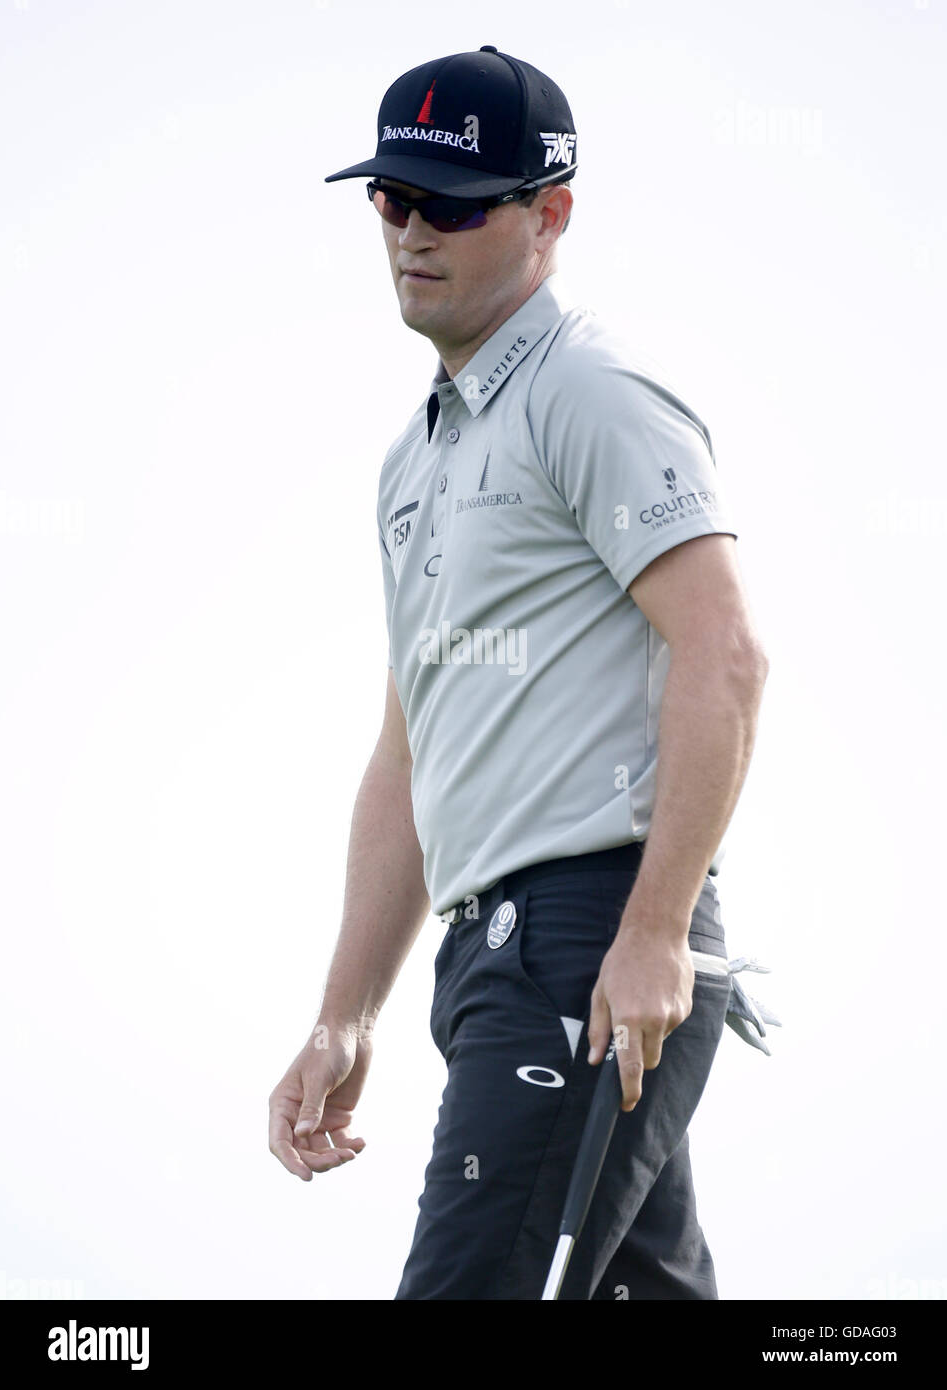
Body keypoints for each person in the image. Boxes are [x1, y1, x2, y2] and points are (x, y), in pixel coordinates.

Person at [268, 45, 770, 1300]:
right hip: (495, 961)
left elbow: (724, 651)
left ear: (549, 213)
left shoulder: (590, 392)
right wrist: (345, 1016)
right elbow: (408, 754)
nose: (410, 232)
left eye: (452, 203)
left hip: (590, 941)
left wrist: (652, 929)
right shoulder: (411, 460)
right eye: (392, 198)